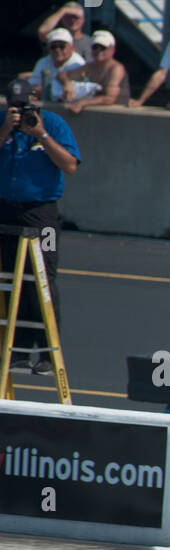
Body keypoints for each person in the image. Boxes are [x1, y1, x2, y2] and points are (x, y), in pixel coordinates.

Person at [0, 78, 80, 374]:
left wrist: (40, 134)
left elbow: (70, 165)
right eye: (14, 106)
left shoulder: (54, 124)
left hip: (41, 214)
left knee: (43, 276)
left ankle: (47, 349)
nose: (20, 112)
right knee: (11, 277)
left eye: (24, 106)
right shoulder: (4, 124)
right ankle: (18, 348)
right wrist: (7, 129)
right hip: (7, 210)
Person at [61, 30, 130, 114]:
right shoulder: (89, 67)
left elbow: (110, 98)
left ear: (112, 50)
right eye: (95, 47)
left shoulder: (116, 69)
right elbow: (63, 75)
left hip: (118, 114)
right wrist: (67, 83)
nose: (98, 51)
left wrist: (82, 103)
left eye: (103, 48)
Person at [26, 29, 85, 103]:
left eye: (62, 46)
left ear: (71, 47)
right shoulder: (42, 62)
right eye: (53, 47)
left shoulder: (78, 63)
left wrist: (43, 90)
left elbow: (71, 93)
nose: (57, 50)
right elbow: (31, 87)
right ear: (48, 48)